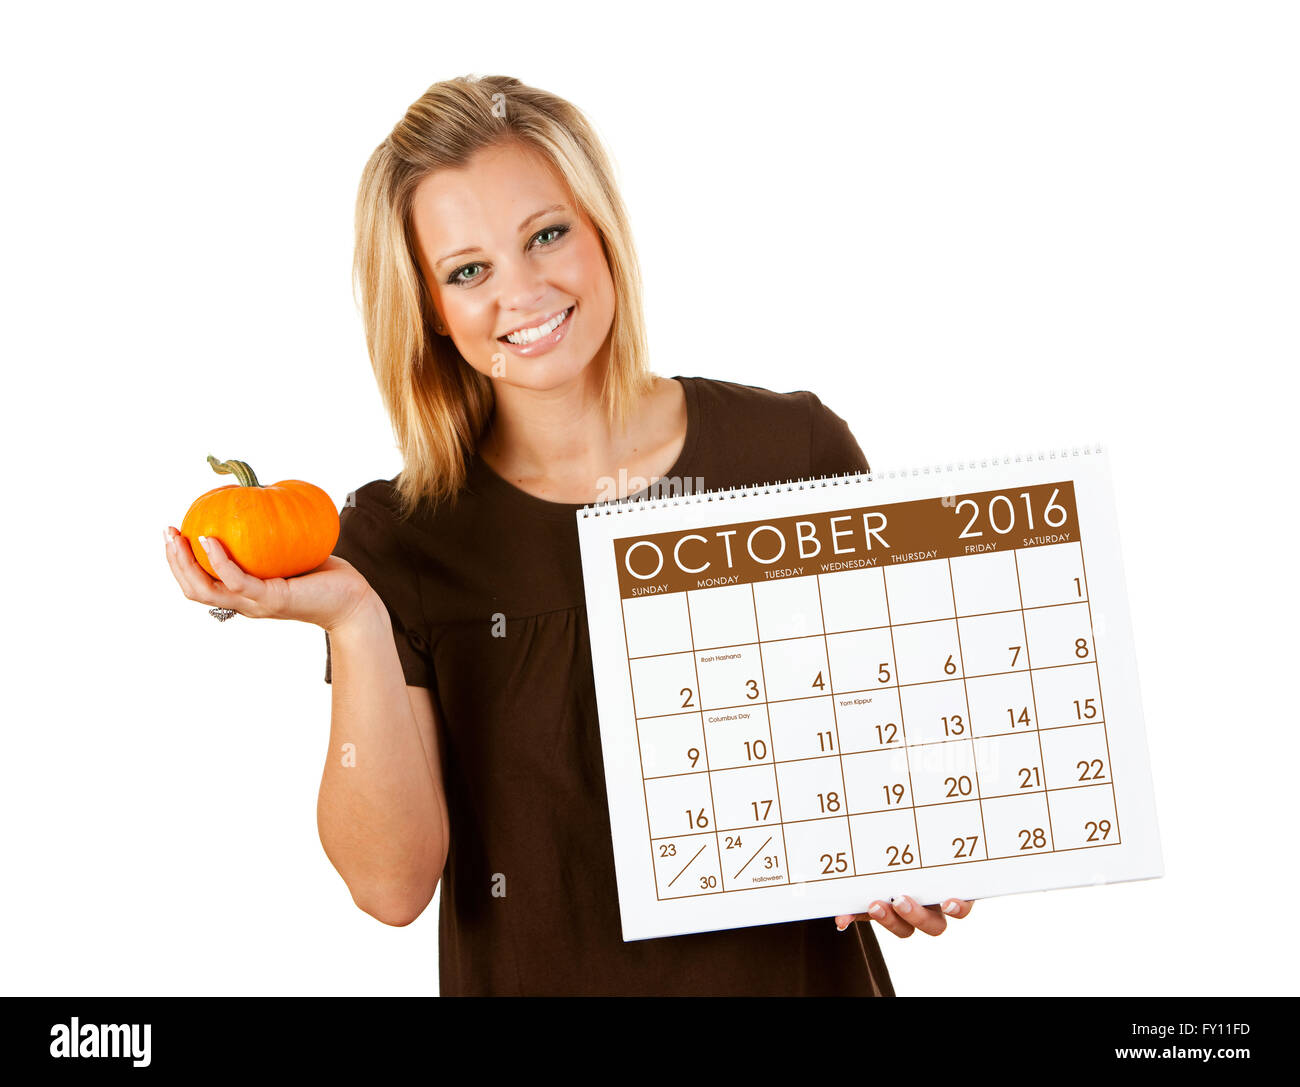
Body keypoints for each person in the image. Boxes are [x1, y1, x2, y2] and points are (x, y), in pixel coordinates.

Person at [164, 73, 973, 996]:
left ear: (601, 230)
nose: (524, 291)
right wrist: (353, 620)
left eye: (547, 234)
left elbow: (906, 766)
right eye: (468, 270)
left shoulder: (792, 450)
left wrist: (926, 850)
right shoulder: (398, 539)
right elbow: (390, 887)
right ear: (430, 307)